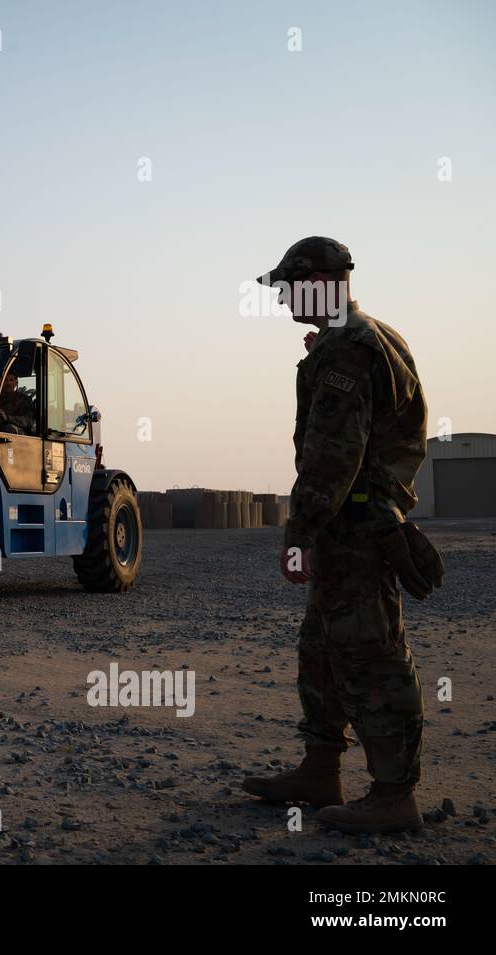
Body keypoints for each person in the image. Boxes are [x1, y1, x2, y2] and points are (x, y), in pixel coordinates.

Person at [241, 236, 436, 833]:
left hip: (354, 522)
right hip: (351, 520)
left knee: (369, 651)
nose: (282, 301)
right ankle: (320, 768)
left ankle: (394, 794)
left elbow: (332, 457)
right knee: (322, 648)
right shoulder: (357, 337)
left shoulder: (348, 349)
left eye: (289, 288)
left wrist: (297, 531)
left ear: (320, 281)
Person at [0, 369, 36, 434]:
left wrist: (7, 418)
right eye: (5, 380)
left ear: (16, 382)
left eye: (11, 380)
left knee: (8, 428)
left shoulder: (23, 399)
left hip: (18, 434)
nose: (8, 383)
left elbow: (27, 421)